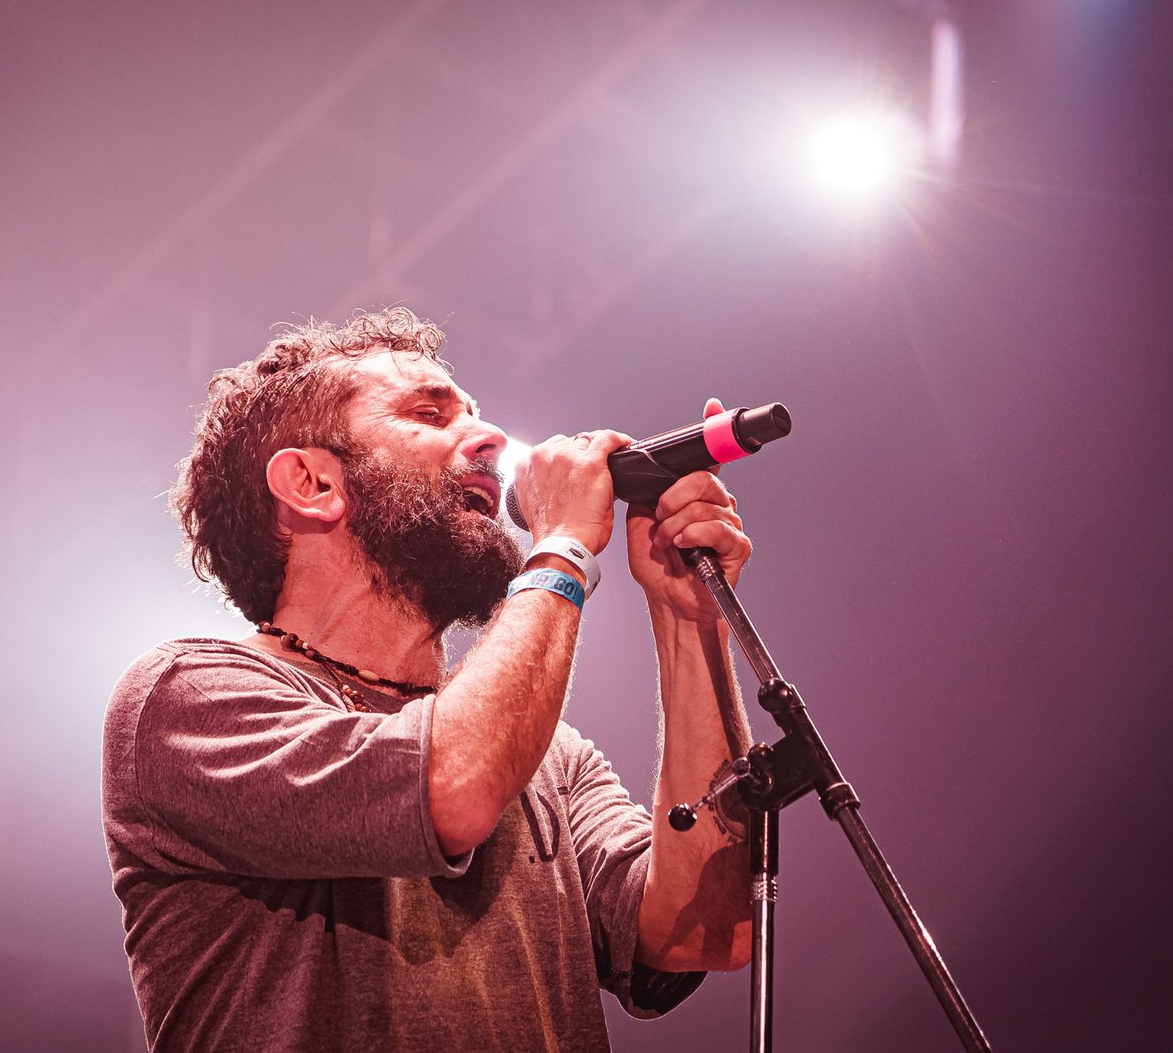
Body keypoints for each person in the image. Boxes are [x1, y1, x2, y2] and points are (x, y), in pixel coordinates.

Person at [102, 308, 755, 1051]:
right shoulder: (190, 696)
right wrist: (565, 544)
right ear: (312, 482)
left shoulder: (551, 757)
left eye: (473, 413)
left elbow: (707, 929)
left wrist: (687, 619)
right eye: (428, 413)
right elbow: (453, 789)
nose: (491, 440)